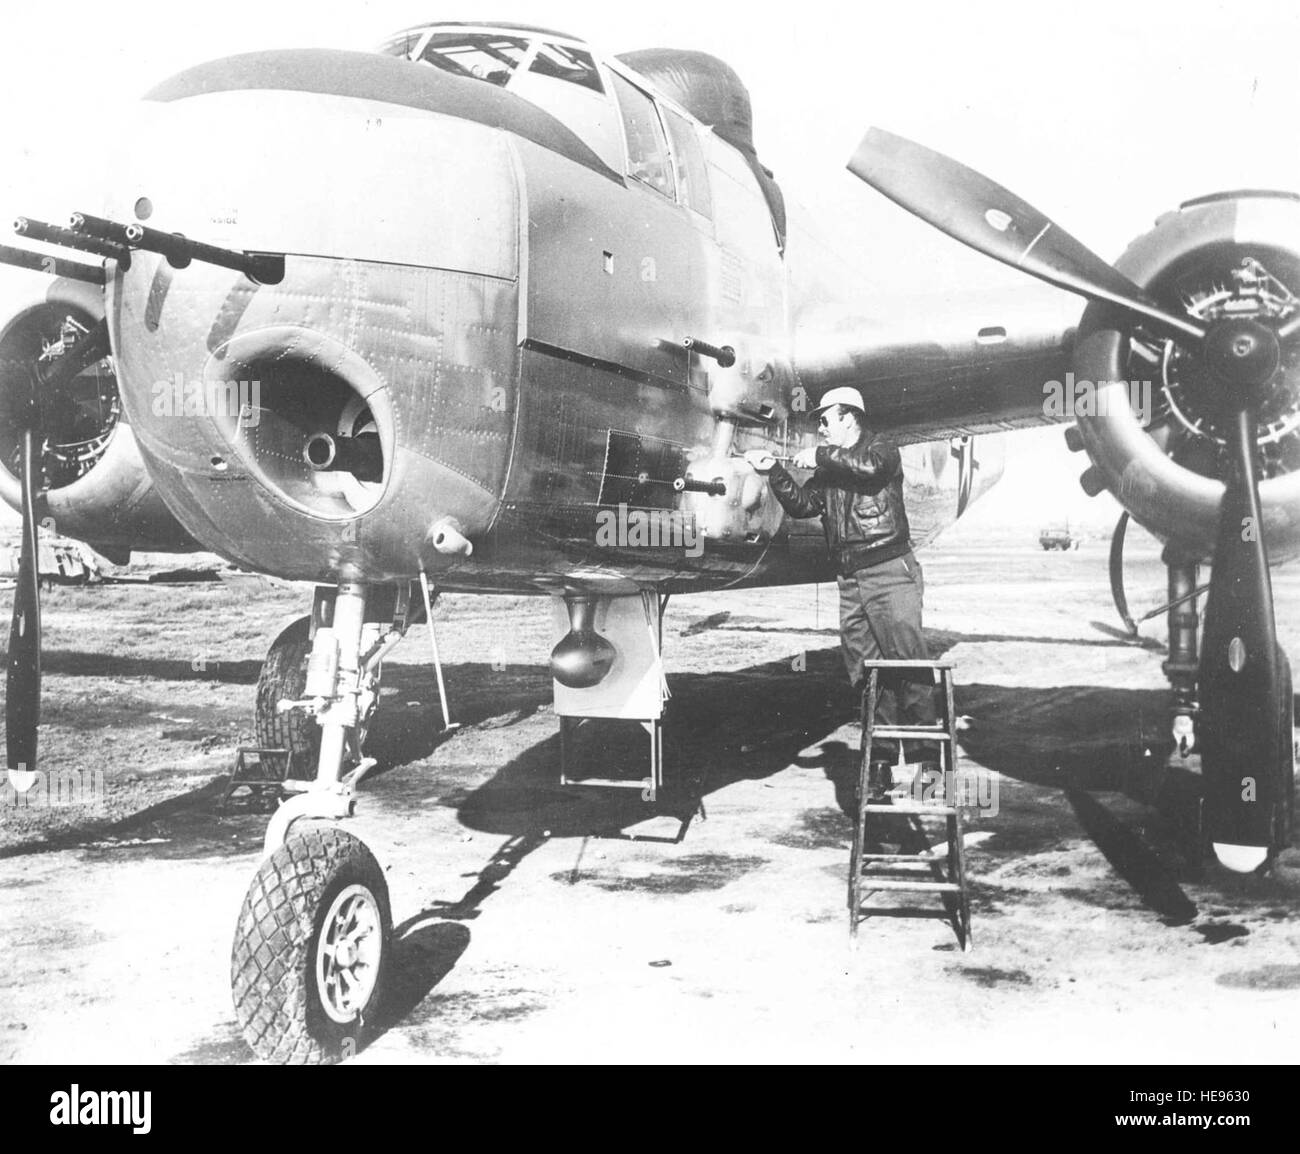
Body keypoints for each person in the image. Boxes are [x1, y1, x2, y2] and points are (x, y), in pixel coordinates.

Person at [746, 386, 937, 798]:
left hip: (889, 570)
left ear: (850, 417)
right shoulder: (831, 466)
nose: (820, 427)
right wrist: (772, 471)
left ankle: (929, 766)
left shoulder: (882, 448)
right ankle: (881, 764)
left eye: (826, 419)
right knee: (868, 671)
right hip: (850, 579)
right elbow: (802, 506)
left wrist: (817, 456)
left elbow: (867, 468)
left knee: (909, 666)